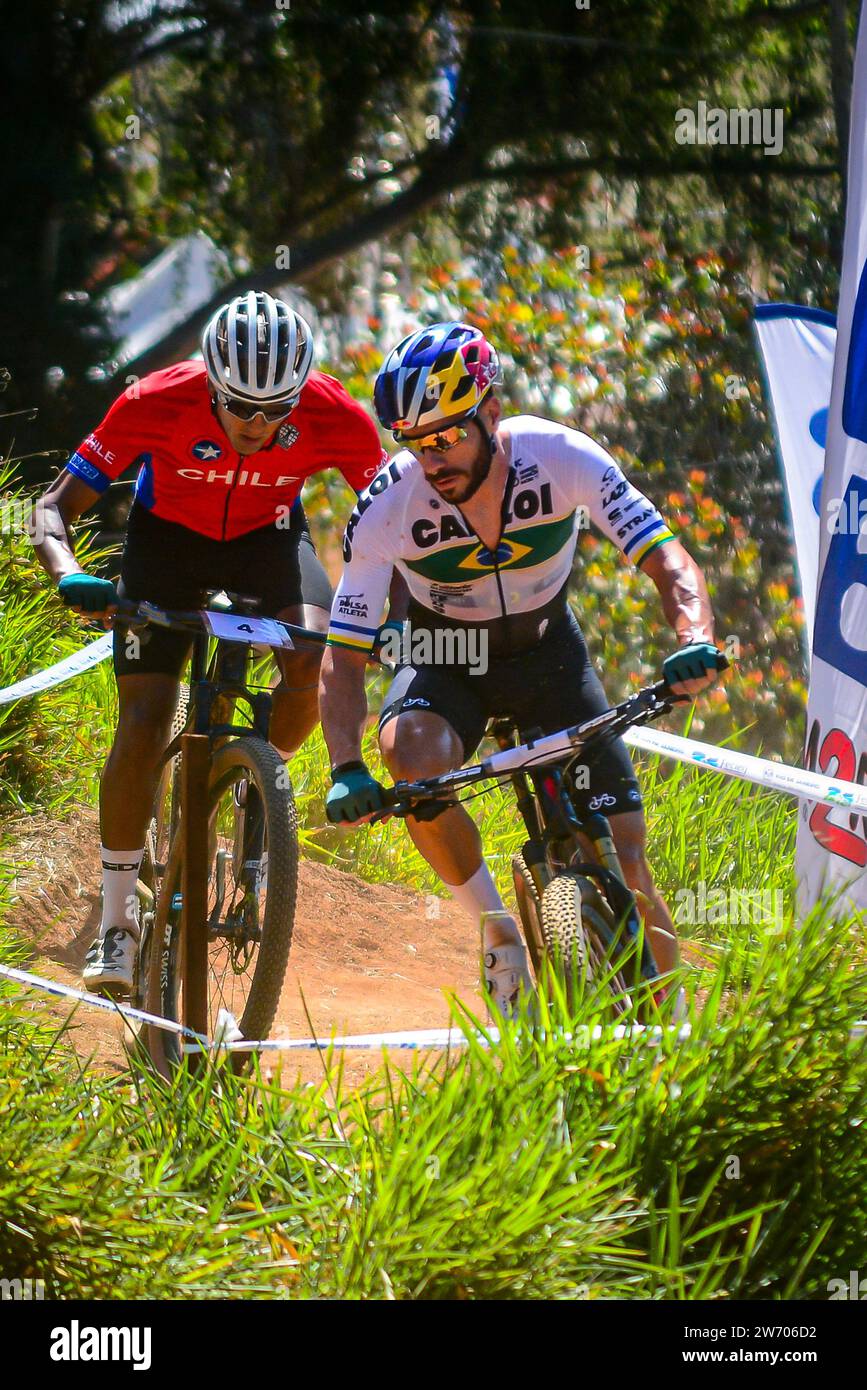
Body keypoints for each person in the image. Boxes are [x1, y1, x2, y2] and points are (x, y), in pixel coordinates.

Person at [318, 320, 722, 1018]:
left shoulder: (558, 455)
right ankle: (495, 931)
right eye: (415, 443)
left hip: (548, 656)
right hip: (447, 658)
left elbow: (667, 558)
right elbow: (345, 649)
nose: (432, 458)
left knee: (626, 858)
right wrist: (344, 765)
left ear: (491, 413)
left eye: (447, 436)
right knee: (411, 758)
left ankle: (676, 1044)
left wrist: (692, 637)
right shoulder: (388, 503)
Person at [32, 291, 384, 995]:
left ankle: (255, 785)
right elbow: (50, 506)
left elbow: (393, 519)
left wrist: (392, 609)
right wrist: (69, 574)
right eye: (240, 407)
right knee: (142, 722)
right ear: (211, 384)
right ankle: (116, 918)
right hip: (167, 548)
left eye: (275, 410)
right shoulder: (153, 399)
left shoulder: (335, 412)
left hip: (267, 543)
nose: (257, 425)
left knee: (311, 659)